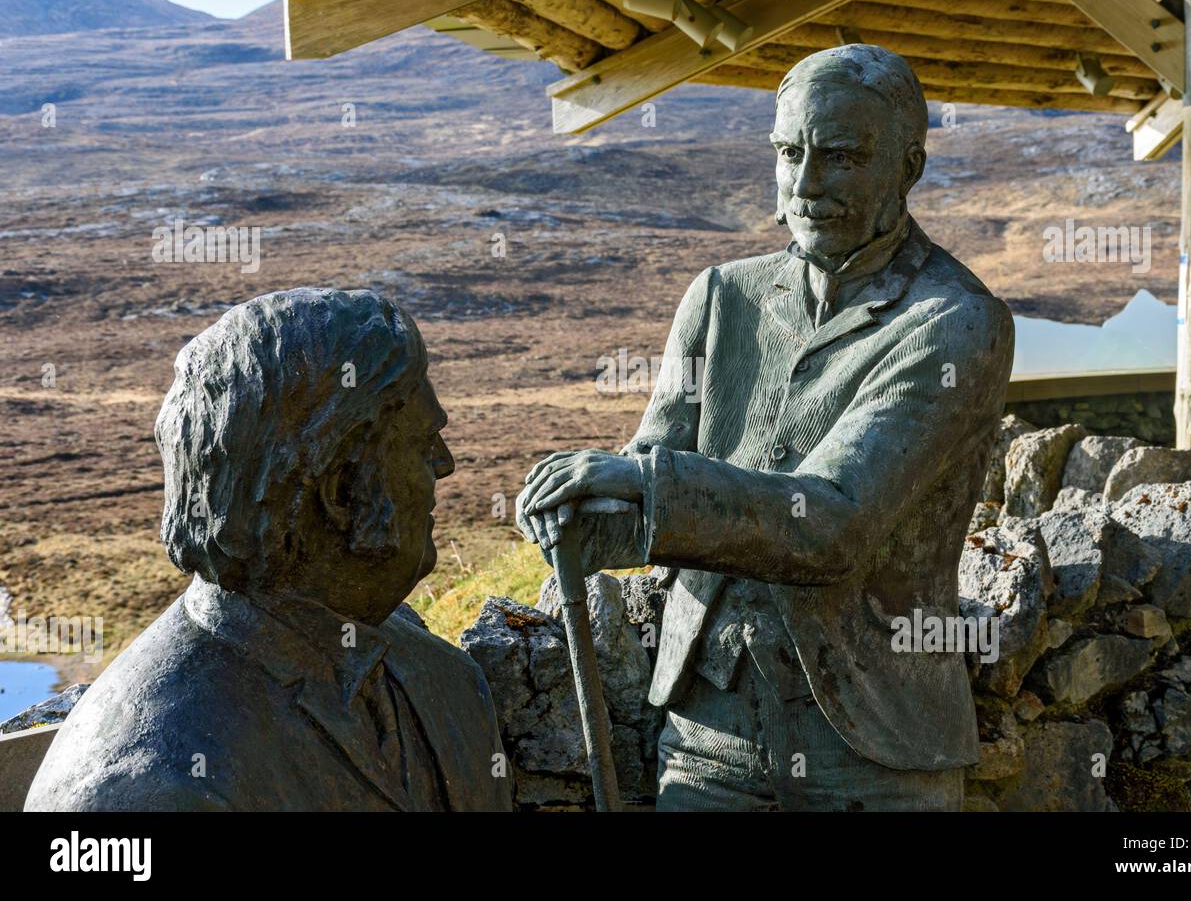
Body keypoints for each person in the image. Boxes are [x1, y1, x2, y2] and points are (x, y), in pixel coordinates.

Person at [517, 45, 1015, 811]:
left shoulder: (953, 322)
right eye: (789, 152)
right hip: (706, 735)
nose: (806, 185)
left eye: (841, 157)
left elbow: (832, 525)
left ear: (908, 166)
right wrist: (577, 513)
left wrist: (641, 483)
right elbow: (649, 506)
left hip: (873, 753)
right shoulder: (720, 298)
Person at [27, 288, 511, 811]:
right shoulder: (141, 792)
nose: (445, 465)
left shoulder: (447, 682)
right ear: (343, 493)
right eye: (423, 443)